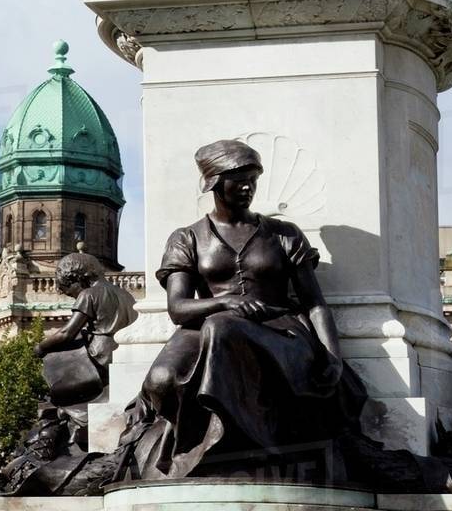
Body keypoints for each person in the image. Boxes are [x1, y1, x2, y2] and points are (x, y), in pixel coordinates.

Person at [132, 139, 365, 479]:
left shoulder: (283, 234)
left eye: (253, 179)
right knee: (160, 379)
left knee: (221, 328)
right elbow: (179, 309)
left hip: (279, 329)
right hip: (204, 325)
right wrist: (225, 301)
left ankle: (237, 451)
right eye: (238, 179)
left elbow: (314, 302)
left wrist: (333, 355)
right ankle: (192, 449)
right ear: (212, 182)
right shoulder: (187, 238)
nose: (248, 187)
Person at [36, 249, 138, 405]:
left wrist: (40, 348)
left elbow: (66, 333)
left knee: (56, 360)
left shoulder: (89, 294)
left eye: (70, 291)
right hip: (126, 354)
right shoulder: (126, 295)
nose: (74, 297)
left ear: (77, 279)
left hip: (99, 358)